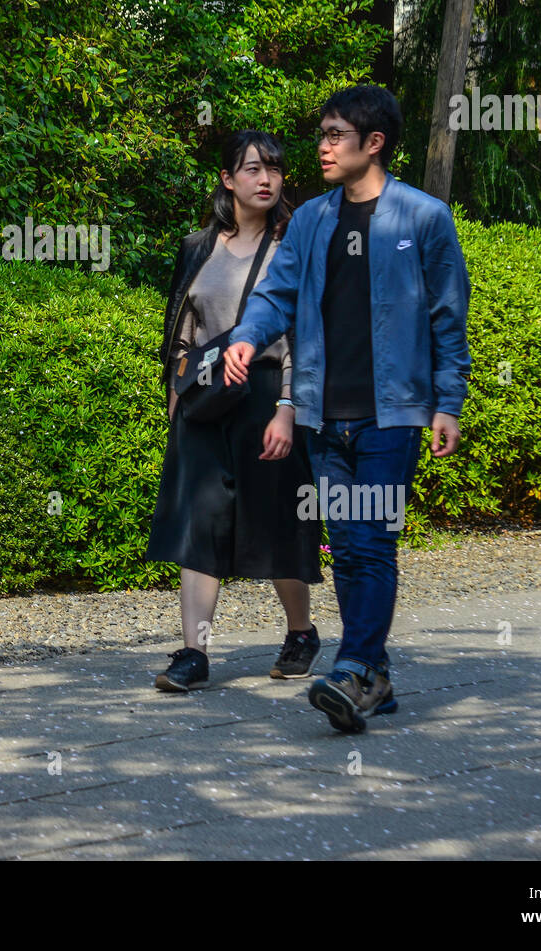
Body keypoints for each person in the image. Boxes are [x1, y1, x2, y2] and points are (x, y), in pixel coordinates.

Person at [223, 85, 471, 732]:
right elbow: (278, 292)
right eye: (323, 134)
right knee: (351, 550)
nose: (323, 146)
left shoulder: (423, 218)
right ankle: (374, 678)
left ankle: (354, 664)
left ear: (374, 143)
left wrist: (449, 401)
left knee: (370, 541)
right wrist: (248, 334)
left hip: (393, 414)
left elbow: (449, 316)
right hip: (323, 416)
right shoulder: (311, 221)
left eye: (336, 135)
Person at [149, 130, 324, 693]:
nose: (265, 179)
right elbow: (182, 326)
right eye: (252, 169)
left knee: (277, 520)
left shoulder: (294, 247)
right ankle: (193, 652)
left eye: (273, 169)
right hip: (204, 401)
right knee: (199, 524)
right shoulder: (198, 246)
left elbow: (303, 335)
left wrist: (287, 406)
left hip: (267, 395)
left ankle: (300, 632)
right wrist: (176, 392)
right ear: (228, 179)